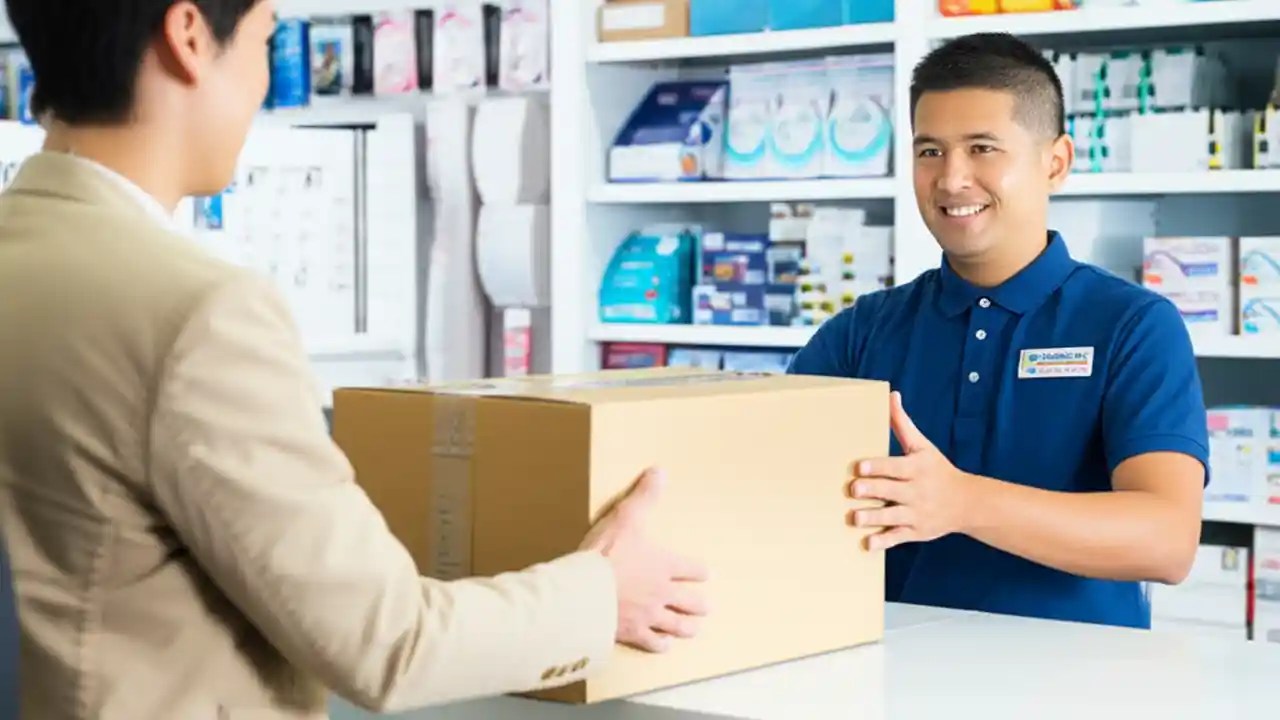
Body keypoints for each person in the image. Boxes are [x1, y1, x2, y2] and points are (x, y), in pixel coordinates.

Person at [0, 2, 708, 719]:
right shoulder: (195, 314)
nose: (262, 85)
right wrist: (603, 592)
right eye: (265, 41)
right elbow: (389, 644)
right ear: (188, 37)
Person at [791, 32, 1209, 630]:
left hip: (1082, 685)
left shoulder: (1132, 326)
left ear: (1056, 162)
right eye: (929, 151)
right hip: (892, 673)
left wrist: (962, 503)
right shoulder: (866, 329)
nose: (951, 179)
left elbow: (1167, 541)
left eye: (982, 148)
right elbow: (766, 470)